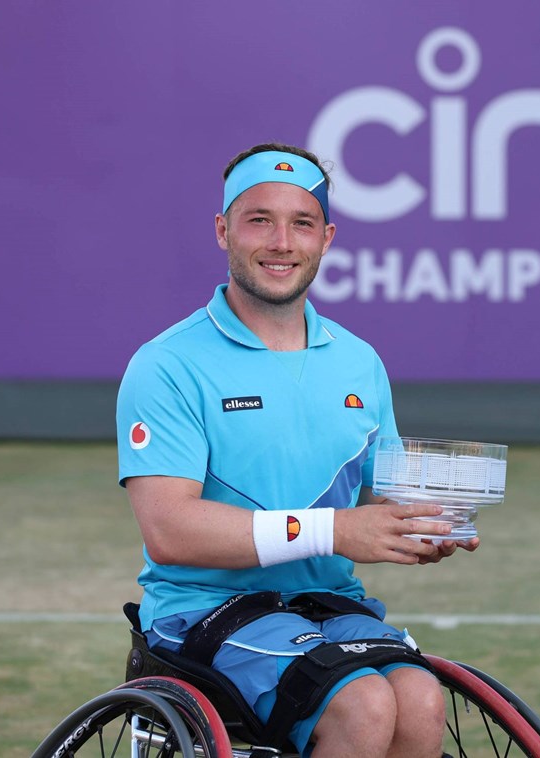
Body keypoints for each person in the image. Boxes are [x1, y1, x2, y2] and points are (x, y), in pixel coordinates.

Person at [116, 142, 475, 757]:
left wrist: (425, 526)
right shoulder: (166, 365)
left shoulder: (360, 361)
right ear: (224, 230)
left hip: (326, 608)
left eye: (301, 223)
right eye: (260, 220)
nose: (281, 242)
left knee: (420, 699)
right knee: (359, 704)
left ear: (326, 237)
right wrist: (336, 530)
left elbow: (377, 498)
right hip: (203, 613)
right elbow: (171, 532)